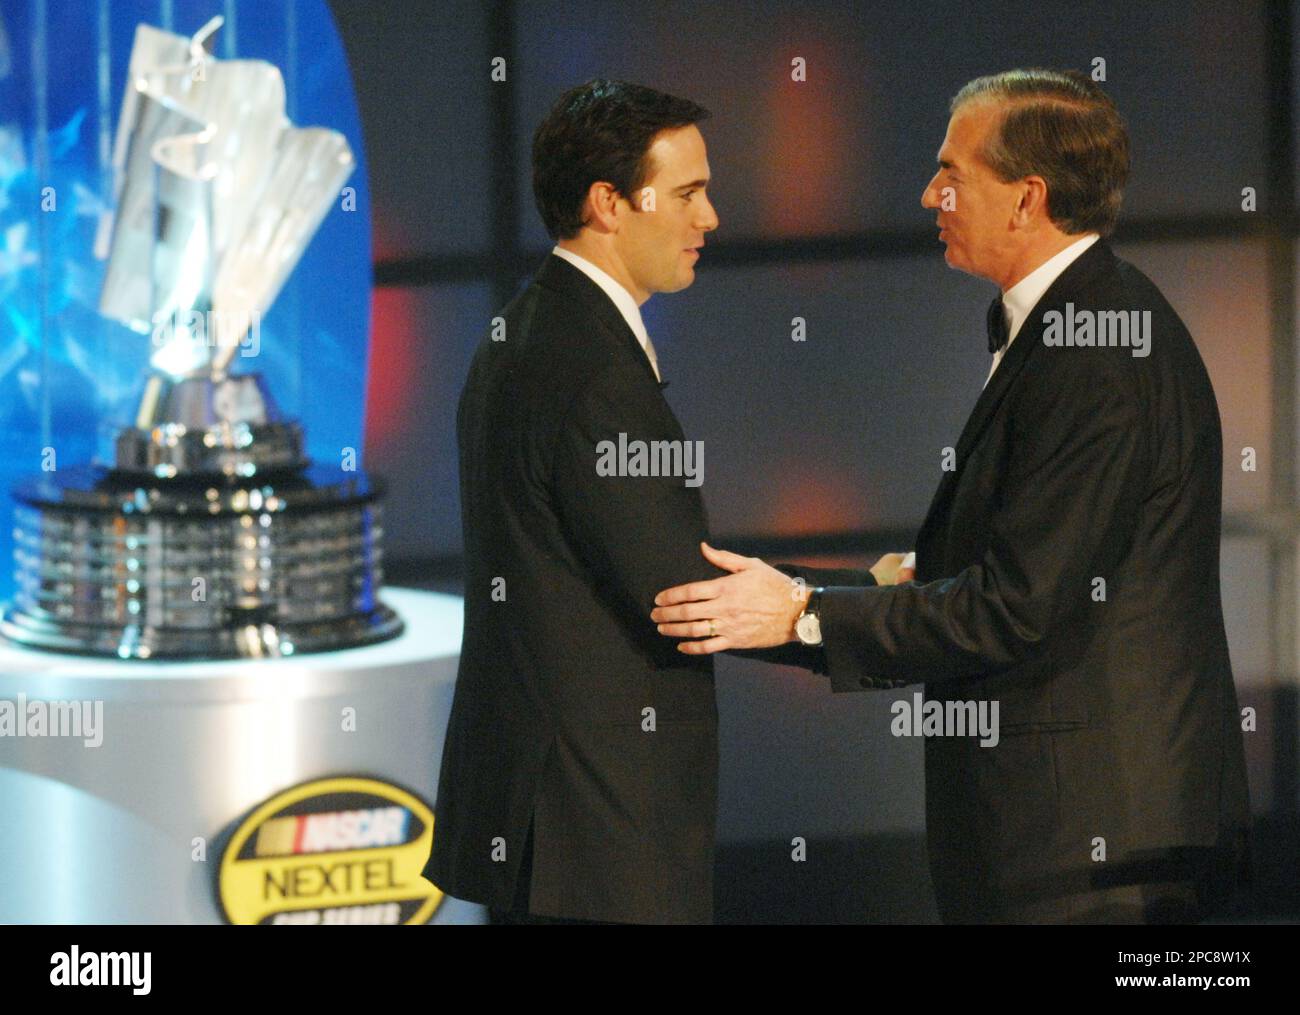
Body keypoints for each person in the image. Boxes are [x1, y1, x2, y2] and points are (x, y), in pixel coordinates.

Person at [650, 68, 1252, 924]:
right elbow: (994, 580)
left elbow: (1016, 607)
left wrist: (802, 613)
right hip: (1070, 842)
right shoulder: (1076, 323)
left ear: (1027, 198)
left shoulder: (1095, 353)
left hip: (1092, 857)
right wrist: (795, 600)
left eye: (952, 173)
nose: (931, 192)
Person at [420, 79, 726, 923]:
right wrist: (841, 605)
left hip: (547, 827)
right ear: (608, 203)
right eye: (691, 193)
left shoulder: (520, 332)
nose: (710, 219)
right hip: (597, 834)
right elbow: (683, 591)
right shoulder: (594, 373)